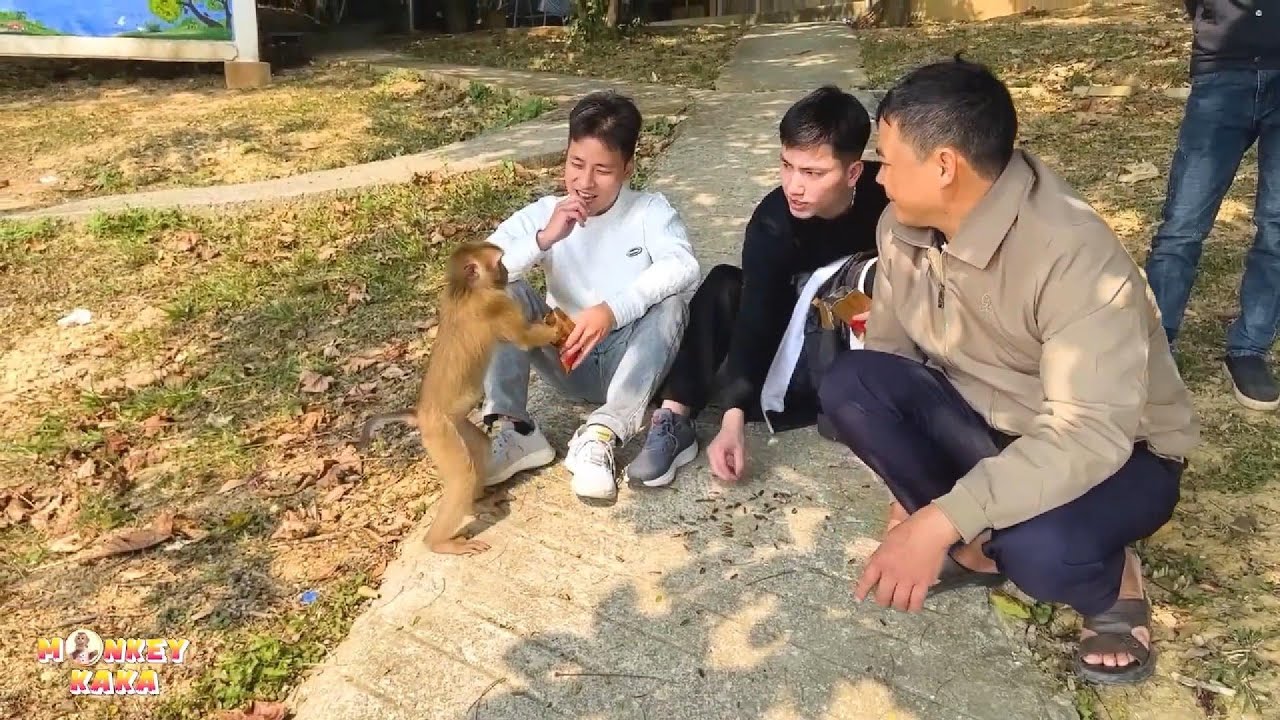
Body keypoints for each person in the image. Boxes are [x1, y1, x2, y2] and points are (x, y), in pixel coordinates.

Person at [817, 57, 1200, 686]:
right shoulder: (901, 228)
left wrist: (935, 519)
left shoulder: (1073, 253)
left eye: (886, 160)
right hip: (989, 425)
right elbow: (891, 358)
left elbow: (1088, 435)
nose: (878, 180)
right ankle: (977, 541)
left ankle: (1110, 581)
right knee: (850, 385)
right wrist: (904, 502)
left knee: (1039, 555)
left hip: (1119, 453)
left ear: (945, 166)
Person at [623, 85, 889, 489]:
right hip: (779, 337)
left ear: (853, 172)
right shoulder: (772, 222)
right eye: (787, 166)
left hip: (846, 340)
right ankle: (675, 416)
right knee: (724, 285)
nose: (794, 186)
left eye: (813, 173)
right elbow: (756, 317)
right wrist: (732, 420)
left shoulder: (886, 195)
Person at [480, 90, 700, 502]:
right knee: (499, 290)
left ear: (628, 167)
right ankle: (516, 431)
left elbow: (684, 266)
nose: (584, 182)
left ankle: (601, 434)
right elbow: (477, 271)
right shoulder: (544, 212)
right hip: (564, 354)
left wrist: (612, 311)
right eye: (576, 164)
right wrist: (545, 238)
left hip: (631, 359)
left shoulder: (650, 211)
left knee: (672, 304)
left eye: (602, 170)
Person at [1143, 0, 1280, 410]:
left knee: (1277, 225)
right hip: (1223, 74)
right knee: (1182, 224)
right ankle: (1152, 347)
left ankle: (1250, 349)